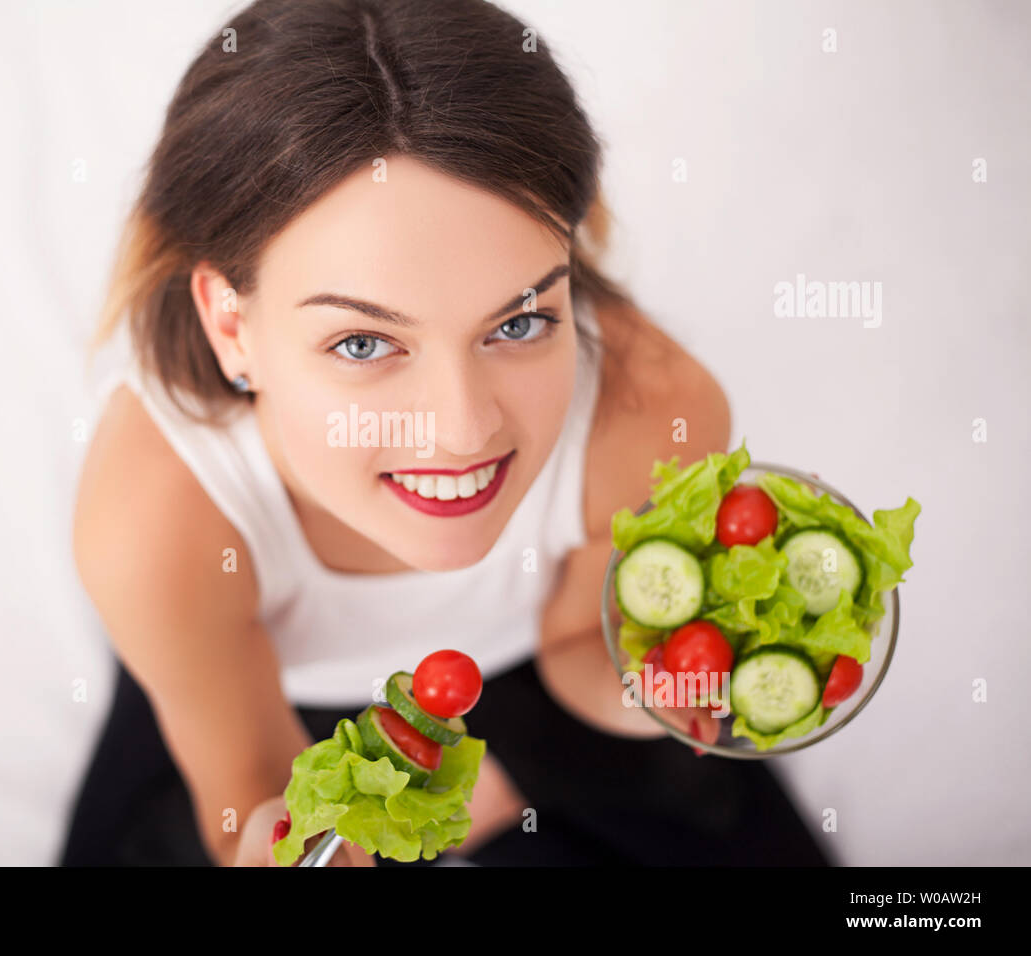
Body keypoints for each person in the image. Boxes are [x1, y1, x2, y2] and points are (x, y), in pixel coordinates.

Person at [61, 0, 831, 868]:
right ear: (232, 326)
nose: (464, 432)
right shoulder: (157, 524)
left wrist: (664, 685)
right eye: (362, 343)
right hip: (252, 696)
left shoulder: (655, 414)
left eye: (518, 323)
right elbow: (246, 784)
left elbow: (580, 641)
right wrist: (293, 850)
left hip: (535, 693)